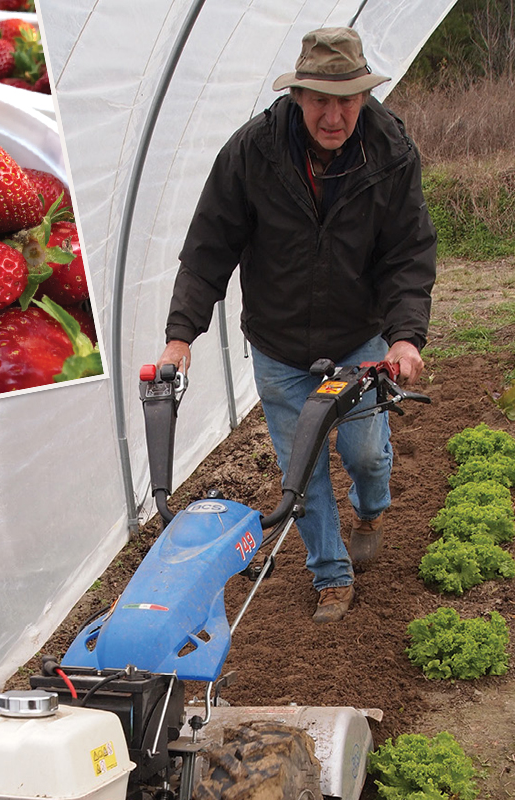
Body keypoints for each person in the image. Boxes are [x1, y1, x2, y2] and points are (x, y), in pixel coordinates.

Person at [157, 27, 436, 623]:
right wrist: (180, 336)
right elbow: (209, 246)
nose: (334, 116)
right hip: (279, 345)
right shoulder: (253, 151)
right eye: (320, 100)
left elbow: (407, 253)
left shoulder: (389, 153)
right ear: (298, 94)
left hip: (360, 338)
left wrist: (405, 335)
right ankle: (330, 575)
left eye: (347, 100)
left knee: (363, 452)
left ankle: (373, 506)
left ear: (364, 96)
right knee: (301, 468)